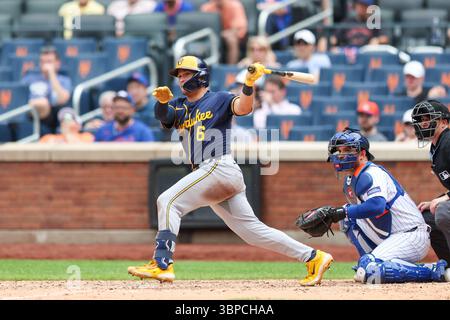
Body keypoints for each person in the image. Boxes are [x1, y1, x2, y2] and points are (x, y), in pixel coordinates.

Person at [127, 55, 334, 286]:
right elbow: (165, 118)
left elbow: (244, 107)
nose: (181, 79)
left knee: (167, 201)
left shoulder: (220, 99)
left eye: (186, 74)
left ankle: (161, 263)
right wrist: (162, 103)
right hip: (214, 174)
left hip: (218, 166)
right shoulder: (178, 104)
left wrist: (248, 83)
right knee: (252, 232)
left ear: (200, 77)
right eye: (180, 75)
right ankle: (314, 257)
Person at [324, 127, 448, 283]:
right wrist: (339, 213)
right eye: (339, 151)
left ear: (362, 154)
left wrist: (342, 211)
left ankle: (432, 270)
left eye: (348, 150)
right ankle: (369, 261)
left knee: (371, 269)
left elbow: (377, 206)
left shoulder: (372, 173)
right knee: (348, 219)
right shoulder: (350, 180)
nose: (342, 155)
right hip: (392, 235)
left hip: (411, 235)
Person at [411, 99, 450, 272]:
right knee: (427, 217)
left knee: (443, 212)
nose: (423, 124)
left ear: (443, 122)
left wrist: (446, 199)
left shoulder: (448, 142)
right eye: (420, 120)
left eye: (428, 119)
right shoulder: (437, 146)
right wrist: (439, 199)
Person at [21, 46, 72, 136]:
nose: (45, 65)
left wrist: (51, 74)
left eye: (49, 62)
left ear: (57, 63)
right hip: (30, 113)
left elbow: (63, 99)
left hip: (52, 116)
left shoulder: (64, 80)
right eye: (42, 62)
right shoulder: (29, 79)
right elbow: (19, 98)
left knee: (45, 104)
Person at [201, 0, 248, 65]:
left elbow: (239, 27)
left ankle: (230, 69)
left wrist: (224, 33)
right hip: (212, 35)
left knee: (231, 39)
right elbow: (202, 26)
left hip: (230, 33)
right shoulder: (207, 7)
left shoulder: (235, 5)